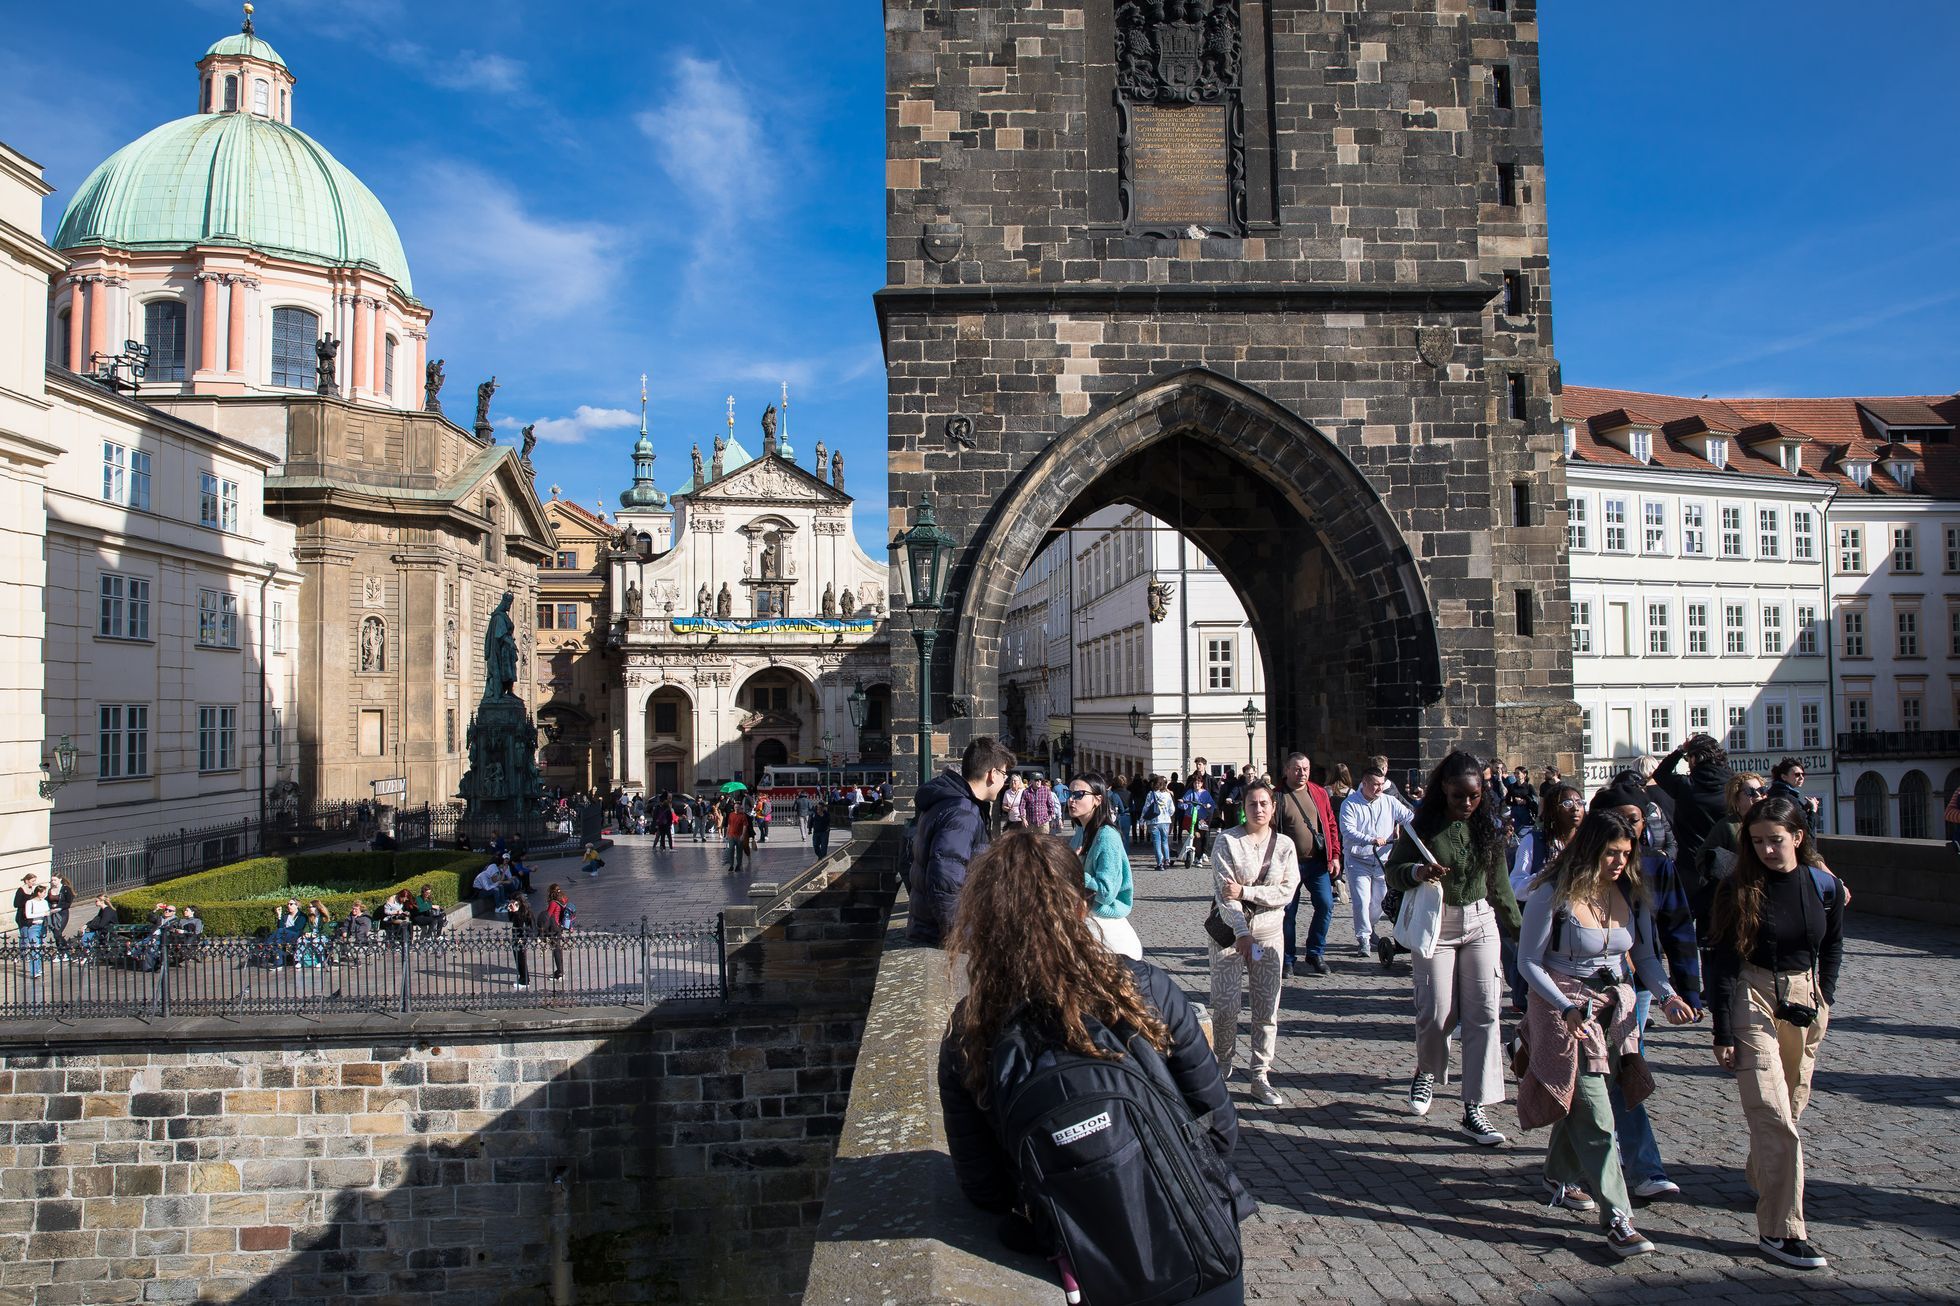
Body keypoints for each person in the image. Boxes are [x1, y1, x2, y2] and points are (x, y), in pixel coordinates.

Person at [938, 829, 1252, 1306]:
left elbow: (985, 1188)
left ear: (985, 923)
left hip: (1087, 1272)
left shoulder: (971, 1031)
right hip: (1198, 1254)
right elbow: (1221, 1128)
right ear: (1082, 907)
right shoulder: (1145, 987)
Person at [1515, 810, 1698, 1258]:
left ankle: (1559, 1174)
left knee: (1583, 1097)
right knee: (1597, 1113)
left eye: (1626, 853)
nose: (1620, 861)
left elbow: (1645, 957)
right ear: (1590, 848)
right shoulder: (1551, 893)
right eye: (1611, 852)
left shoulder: (1628, 892)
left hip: (1613, 1012)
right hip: (1564, 1011)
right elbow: (1528, 963)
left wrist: (1669, 994)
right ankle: (1618, 1217)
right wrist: (1565, 1007)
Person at [1708, 795, 1844, 1271]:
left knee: (1792, 1102)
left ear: (1798, 838)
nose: (1766, 849)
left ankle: (1762, 1175)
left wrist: (1824, 992)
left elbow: (1832, 943)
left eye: (1775, 840)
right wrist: (1722, 1031)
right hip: (1753, 992)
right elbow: (1722, 962)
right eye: (1757, 841)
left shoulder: (1822, 885)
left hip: (1805, 997)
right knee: (1773, 1116)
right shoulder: (1736, 888)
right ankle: (1781, 1231)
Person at [1386, 750, 1520, 1144]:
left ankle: (1474, 1106)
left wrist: (1521, 933)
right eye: (1459, 796)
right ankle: (1426, 1070)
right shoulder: (1423, 825)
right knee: (1437, 1011)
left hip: (1479, 920)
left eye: (1473, 796)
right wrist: (1418, 872)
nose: (1466, 803)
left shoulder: (1488, 826)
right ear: (1444, 788)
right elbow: (1394, 873)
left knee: (1484, 1013)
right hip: (1438, 922)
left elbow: (1501, 886)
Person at [1589, 780, 1703, 1203]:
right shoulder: (1578, 871)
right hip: (1583, 990)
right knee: (1597, 1078)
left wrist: (1685, 990)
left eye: (1634, 822)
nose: (1629, 833)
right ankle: (1576, 1164)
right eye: (1620, 823)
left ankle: (1642, 1166)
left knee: (1624, 1071)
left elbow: (1677, 928)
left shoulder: (1655, 868)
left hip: (1637, 987)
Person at [1209, 779, 1302, 1106]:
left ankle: (1260, 1073)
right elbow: (1225, 894)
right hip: (1231, 937)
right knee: (1226, 1005)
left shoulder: (1285, 846)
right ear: (1243, 807)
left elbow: (1286, 893)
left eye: (1264, 803)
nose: (1259, 809)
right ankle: (1222, 1063)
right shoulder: (1227, 842)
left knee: (1266, 1007)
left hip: (1266, 937)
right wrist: (1241, 932)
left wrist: (1248, 892)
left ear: (1273, 807)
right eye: (1253, 804)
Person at [908, 737, 1014, 947]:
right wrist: (965, 938)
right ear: (992, 774)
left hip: (927, 927)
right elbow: (945, 882)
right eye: (1004, 774)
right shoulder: (962, 813)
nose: (1005, 781)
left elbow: (908, 859)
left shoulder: (950, 802)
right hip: (939, 936)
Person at [1274, 752, 1341, 977]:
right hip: (1287, 866)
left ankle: (1315, 951)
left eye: (1305, 769)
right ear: (1286, 770)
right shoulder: (1276, 796)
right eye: (1297, 768)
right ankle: (1287, 958)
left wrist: (1335, 855)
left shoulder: (1319, 792)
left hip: (1317, 863)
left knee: (1325, 904)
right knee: (1288, 913)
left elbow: (1330, 824)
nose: (1302, 773)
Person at [1339, 761, 1415, 958]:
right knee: (1361, 900)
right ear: (1364, 783)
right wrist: (1370, 840)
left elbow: (1408, 817)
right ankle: (1363, 938)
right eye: (1375, 784)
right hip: (1358, 859)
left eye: (1381, 784)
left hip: (1383, 860)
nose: (1379, 788)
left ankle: (1370, 927)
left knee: (1380, 901)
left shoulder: (1389, 802)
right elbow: (1348, 830)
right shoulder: (1351, 803)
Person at [1066, 771, 1141, 959]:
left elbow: (1106, 893)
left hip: (1106, 933)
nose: (1071, 800)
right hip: (1084, 921)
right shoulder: (1081, 832)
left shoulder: (1107, 836)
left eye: (1078, 794)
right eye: (1069, 794)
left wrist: (1075, 869)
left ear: (1098, 800)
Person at [1652, 734, 1733, 902]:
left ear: (1695, 759)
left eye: (1689, 758)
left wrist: (1680, 750)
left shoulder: (1685, 786)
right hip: (1726, 860)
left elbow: (1659, 774)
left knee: (1689, 917)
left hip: (1691, 861)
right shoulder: (1733, 784)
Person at [1142, 775, 1176, 870]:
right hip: (1165, 821)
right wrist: (1167, 814)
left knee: (1157, 842)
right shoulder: (1167, 795)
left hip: (1154, 822)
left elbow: (1146, 808)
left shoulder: (1151, 794)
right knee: (1165, 841)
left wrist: (1142, 821)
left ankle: (1159, 863)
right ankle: (1167, 860)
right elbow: (1172, 809)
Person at [540, 883, 572, 982]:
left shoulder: (553, 903)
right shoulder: (563, 900)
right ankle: (560, 971)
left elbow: (548, 915)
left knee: (556, 950)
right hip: (559, 927)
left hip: (554, 928)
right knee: (558, 948)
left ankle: (559, 973)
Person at [505, 894, 536, 990]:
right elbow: (511, 919)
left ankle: (525, 980)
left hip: (521, 936)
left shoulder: (524, 910)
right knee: (518, 958)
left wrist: (515, 911)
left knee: (521, 958)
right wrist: (510, 911)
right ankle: (522, 978)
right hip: (516, 936)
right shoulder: (519, 909)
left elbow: (520, 923)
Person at [20, 883, 50, 978]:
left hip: (42, 926)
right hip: (33, 926)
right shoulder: (30, 902)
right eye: (43, 892)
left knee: (40, 948)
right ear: (38, 892)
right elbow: (28, 915)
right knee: (34, 948)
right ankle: (34, 971)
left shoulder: (44, 902)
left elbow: (47, 912)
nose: (44, 894)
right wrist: (42, 913)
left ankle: (39, 968)